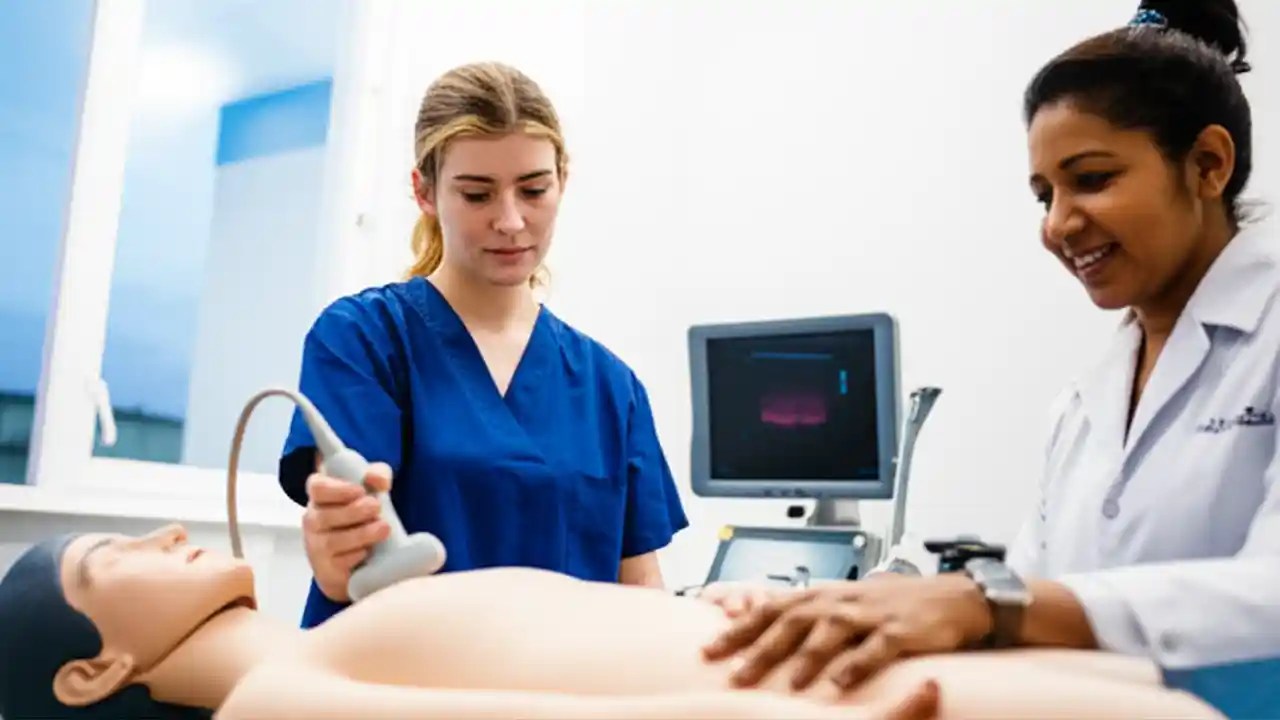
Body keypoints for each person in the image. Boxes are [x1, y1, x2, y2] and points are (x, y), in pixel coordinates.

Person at [699, 0, 1280, 701]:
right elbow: (1042, 591)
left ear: (1209, 165)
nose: (1060, 224)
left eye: (1092, 178)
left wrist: (985, 606)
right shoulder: (1086, 403)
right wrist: (903, 598)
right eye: (1044, 195)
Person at [0, 524, 1228, 720]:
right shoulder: (272, 700)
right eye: (116, 556)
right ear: (92, 672)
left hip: (822, 664)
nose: (166, 536)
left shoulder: (309, 652)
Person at [277, 61, 688, 628]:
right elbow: (349, 557)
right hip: (398, 684)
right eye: (477, 195)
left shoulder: (611, 387)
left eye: (534, 190)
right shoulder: (364, 340)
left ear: (562, 180)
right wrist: (333, 549)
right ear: (424, 192)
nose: (512, 221)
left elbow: (643, 595)